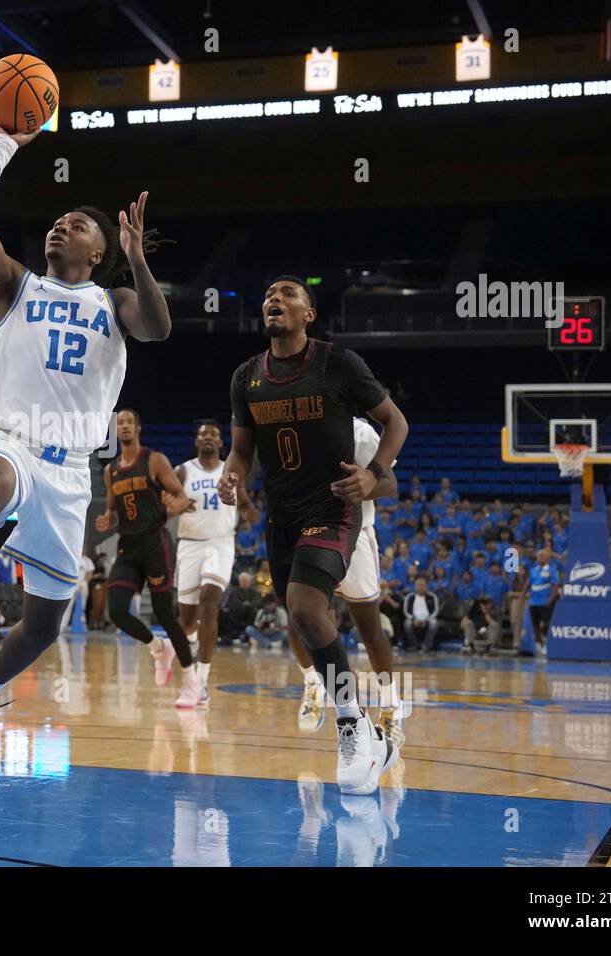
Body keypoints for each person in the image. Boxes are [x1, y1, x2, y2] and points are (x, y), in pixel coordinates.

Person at [0, 119, 171, 771]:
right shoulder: (16, 284)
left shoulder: (116, 298)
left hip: (73, 469)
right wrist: (3, 147)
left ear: (99, 253)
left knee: (44, 625)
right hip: (9, 441)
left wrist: (138, 258)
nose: (60, 227)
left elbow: (158, 329)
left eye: (77, 226)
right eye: (57, 221)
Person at [218, 276, 408, 794]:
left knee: (306, 607)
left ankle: (352, 725)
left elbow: (396, 423)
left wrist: (375, 475)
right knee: (301, 622)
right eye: (268, 294)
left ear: (309, 314)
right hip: (281, 519)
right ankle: (370, 731)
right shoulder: (245, 377)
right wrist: (233, 472)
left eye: (288, 294)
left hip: (334, 510)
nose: (273, 299)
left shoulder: (338, 364)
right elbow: (242, 449)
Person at [287, 416, 404, 744]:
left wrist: (364, 484)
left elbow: (390, 484)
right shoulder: (294, 426)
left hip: (354, 534)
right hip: (309, 532)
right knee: (298, 620)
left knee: (369, 629)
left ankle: (391, 702)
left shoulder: (360, 431)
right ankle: (313, 684)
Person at [98, 409, 198, 702]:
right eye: (120, 423)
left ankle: (191, 682)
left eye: (129, 422)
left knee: (166, 614)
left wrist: (174, 505)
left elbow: (181, 496)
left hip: (155, 543)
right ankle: (158, 648)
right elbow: (114, 511)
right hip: (127, 547)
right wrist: (107, 520)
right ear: (116, 432)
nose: (125, 426)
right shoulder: (110, 471)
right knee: (116, 610)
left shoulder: (154, 460)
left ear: (138, 427)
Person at [175, 419, 251, 707]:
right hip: (189, 545)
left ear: (221, 442)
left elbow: (242, 503)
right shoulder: (182, 471)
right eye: (203, 434)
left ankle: (201, 680)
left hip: (220, 542)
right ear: (196, 442)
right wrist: (174, 505)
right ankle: (192, 647)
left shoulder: (230, 472)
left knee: (210, 600)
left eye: (214, 435)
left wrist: (247, 511)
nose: (208, 438)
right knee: (186, 620)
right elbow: (165, 502)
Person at [527, 548, 560, 655]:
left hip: (545, 601)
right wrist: (524, 597)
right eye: (539, 556)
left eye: (544, 556)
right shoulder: (533, 570)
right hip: (533, 602)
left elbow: (555, 587)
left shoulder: (552, 570)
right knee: (535, 624)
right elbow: (528, 584)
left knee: (546, 624)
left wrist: (550, 600)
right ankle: (538, 645)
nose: (541, 558)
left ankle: (546, 644)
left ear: (548, 558)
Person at [402, 577, 440, 652]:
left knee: (434, 623)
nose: (420, 587)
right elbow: (406, 611)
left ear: (426, 586)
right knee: (407, 623)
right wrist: (413, 620)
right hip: (414, 619)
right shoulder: (410, 597)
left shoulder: (432, 596)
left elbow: (436, 611)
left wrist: (427, 620)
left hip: (428, 619)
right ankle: (413, 645)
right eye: (418, 585)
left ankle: (426, 645)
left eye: (422, 585)